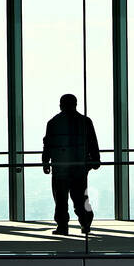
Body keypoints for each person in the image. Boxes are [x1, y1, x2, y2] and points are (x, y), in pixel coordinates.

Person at [42, 93, 101, 236]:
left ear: (61, 105)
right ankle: (86, 221)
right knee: (80, 198)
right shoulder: (85, 121)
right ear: (76, 104)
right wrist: (95, 160)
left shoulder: (53, 123)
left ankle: (62, 227)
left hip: (60, 168)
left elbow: (48, 145)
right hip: (79, 168)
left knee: (61, 200)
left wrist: (45, 162)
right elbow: (92, 142)